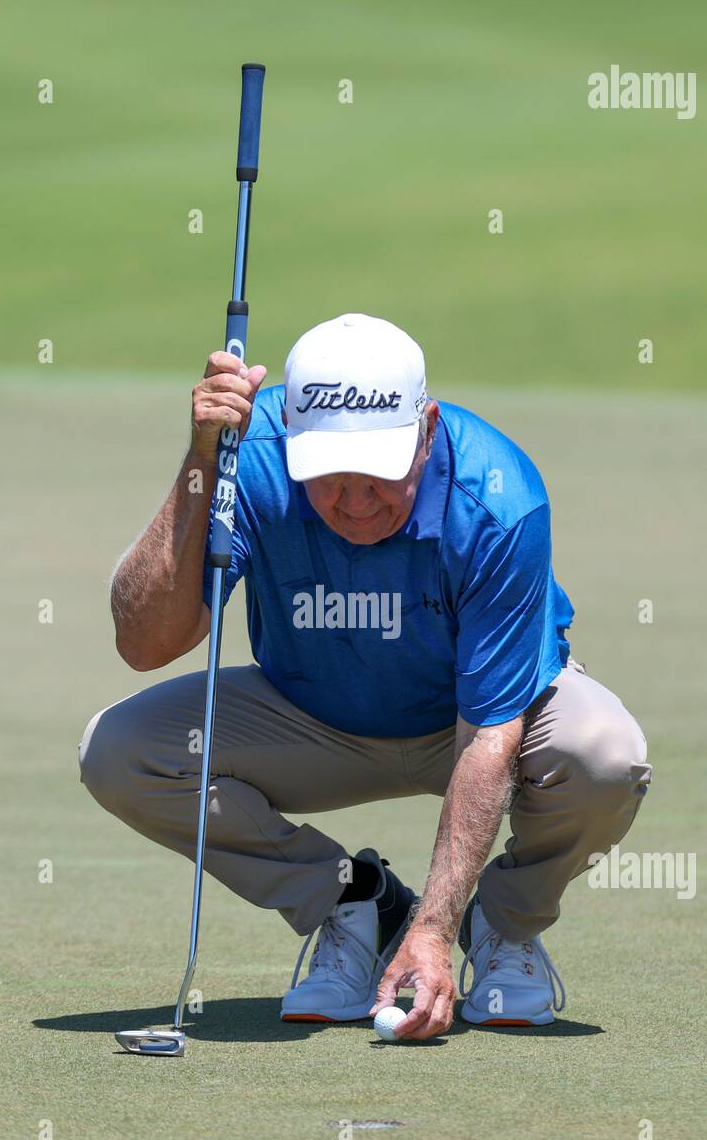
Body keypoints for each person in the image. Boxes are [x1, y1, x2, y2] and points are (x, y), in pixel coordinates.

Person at [79, 313, 651, 1041]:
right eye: (325, 476)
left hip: (469, 724)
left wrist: (435, 930)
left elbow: (491, 734)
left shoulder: (499, 496)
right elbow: (145, 642)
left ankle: (502, 926)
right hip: (312, 717)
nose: (353, 502)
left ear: (428, 428)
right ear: (289, 434)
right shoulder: (247, 458)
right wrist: (200, 461)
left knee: (603, 755)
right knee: (120, 752)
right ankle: (358, 901)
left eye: (379, 473)